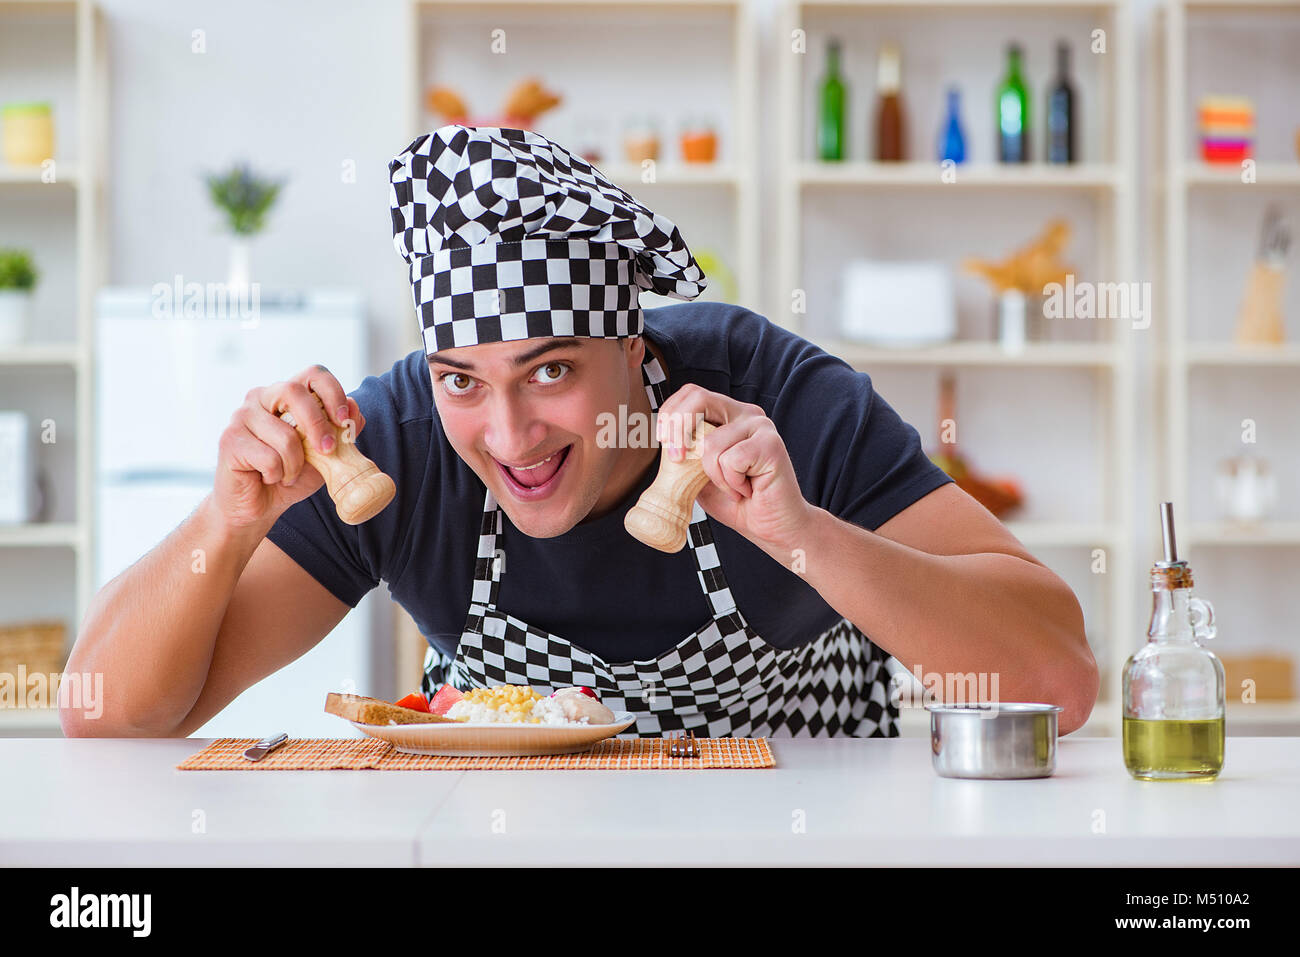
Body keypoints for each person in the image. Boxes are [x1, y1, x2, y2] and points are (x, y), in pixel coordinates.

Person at [62, 125, 1097, 739]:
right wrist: (226, 522)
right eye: (463, 379)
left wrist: (803, 537)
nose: (507, 434)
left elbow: (1058, 682)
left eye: (549, 371)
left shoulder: (775, 401)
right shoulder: (402, 440)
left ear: (638, 353)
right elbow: (104, 715)